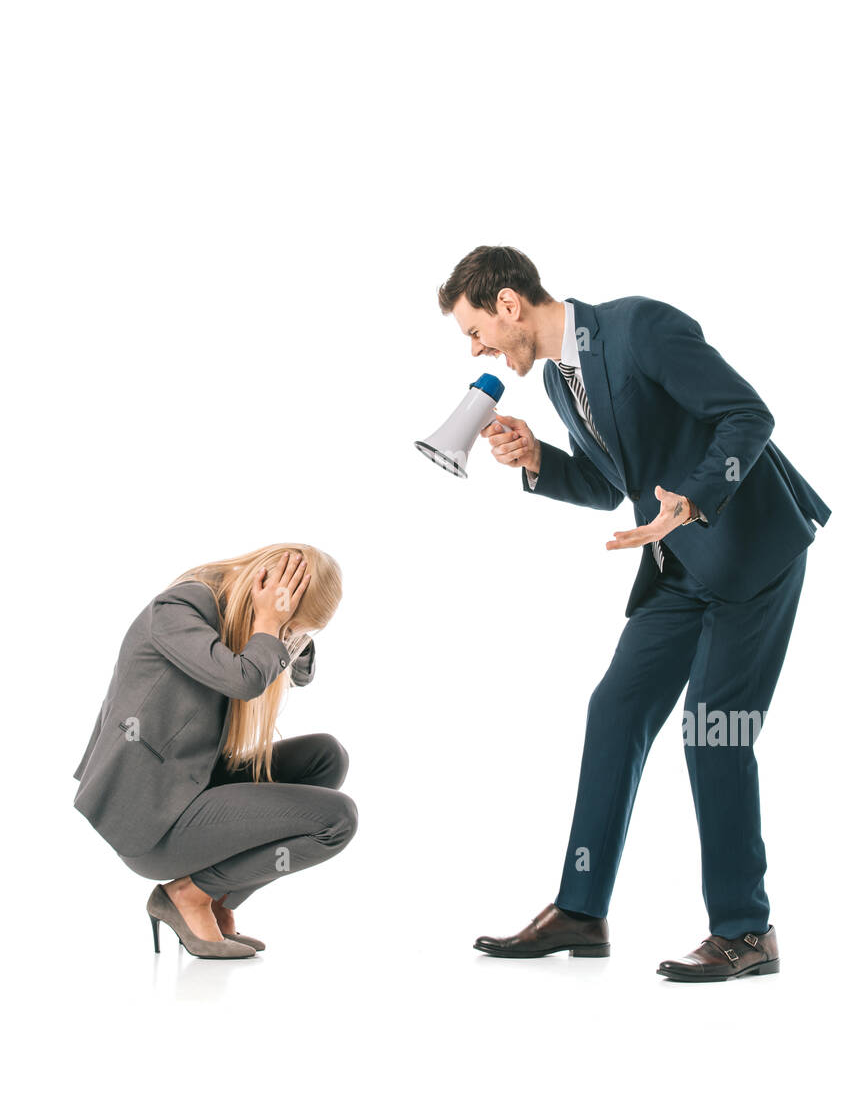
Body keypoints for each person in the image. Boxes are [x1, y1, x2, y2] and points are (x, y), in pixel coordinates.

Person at [437, 245, 830, 981]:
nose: (474, 348)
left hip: (750, 555)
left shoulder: (637, 327)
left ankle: (746, 932)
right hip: (676, 567)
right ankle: (581, 911)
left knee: (713, 732)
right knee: (615, 710)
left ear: (508, 305)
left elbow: (748, 416)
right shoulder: (560, 380)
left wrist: (688, 498)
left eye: (474, 330)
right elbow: (607, 483)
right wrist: (536, 461)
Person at [73, 544, 357, 959]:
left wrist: (287, 630)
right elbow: (244, 680)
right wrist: (270, 621)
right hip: (152, 819)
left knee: (326, 757)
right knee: (337, 820)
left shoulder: (244, 618)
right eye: (289, 626)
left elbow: (295, 673)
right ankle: (188, 895)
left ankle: (217, 897)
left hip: (193, 785)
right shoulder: (178, 610)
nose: (286, 636)